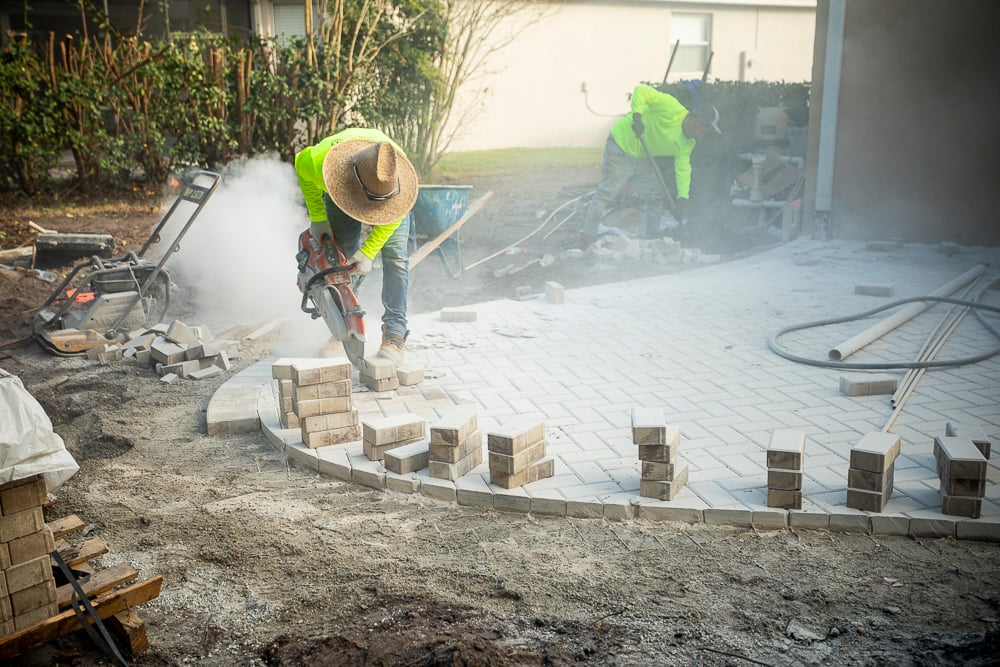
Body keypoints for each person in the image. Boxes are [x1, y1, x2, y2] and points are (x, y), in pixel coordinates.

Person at [294, 128, 418, 363]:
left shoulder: (394, 179)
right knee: (342, 259)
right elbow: (301, 164)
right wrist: (318, 218)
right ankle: (345, 328)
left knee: (396, 260)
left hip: (381, 192)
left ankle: (394, 332)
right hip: (347, 184)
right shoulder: (319, 163)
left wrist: (369, 252)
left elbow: (394, 216)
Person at [581, 84, 721, 241]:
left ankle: (652, 237)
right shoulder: (671, 107)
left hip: (641, 155)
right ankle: (587, 235)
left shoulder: (688, 143)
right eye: (705, 130)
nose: (703, 135)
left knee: (655, 195)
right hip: (621, 145)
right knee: (608, 193)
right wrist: (637, 116)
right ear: (697, 121)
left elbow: (683, 169)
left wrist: (683, 198)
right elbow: (641, 90)